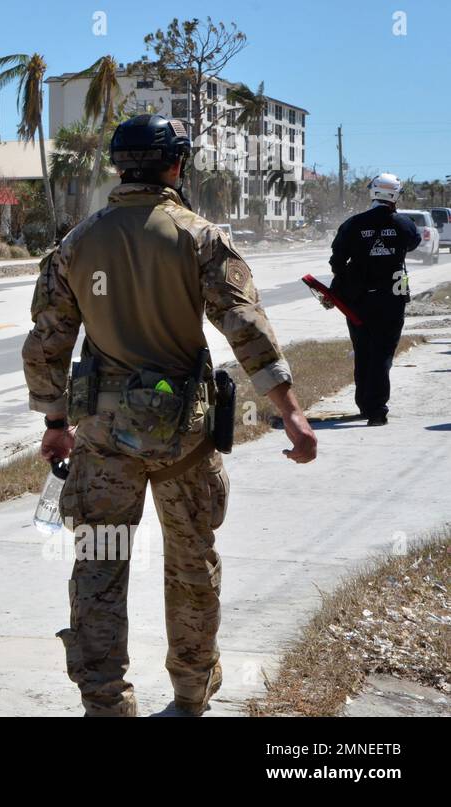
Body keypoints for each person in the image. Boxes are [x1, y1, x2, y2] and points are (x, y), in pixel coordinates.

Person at [22, 113, 317, 717]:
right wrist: (289, 411)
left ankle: (105, 700)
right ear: (176, 164)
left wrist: (55, 423)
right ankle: (189, 690)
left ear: (118, 165)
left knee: (100, 567)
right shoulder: (201, 238)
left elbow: (47, 342)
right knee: (191, 566)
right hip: (186, 438)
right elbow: (246, 328)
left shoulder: (76, 243)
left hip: (103, 441)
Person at [327, 173, 421, 425]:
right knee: (382, 353)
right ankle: (376, 409)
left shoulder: (353, 224)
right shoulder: (404, 224)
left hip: (358, 301)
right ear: (395, 196)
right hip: (393, 299)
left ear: (373, 193)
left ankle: (365, 405)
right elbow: (413, 243)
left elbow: (336, 261)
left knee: (363, 351)